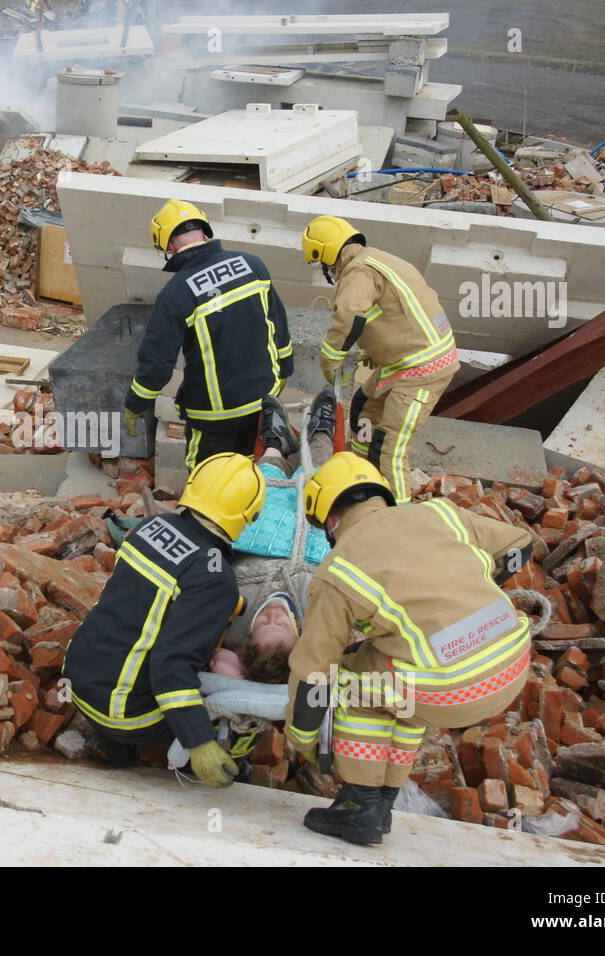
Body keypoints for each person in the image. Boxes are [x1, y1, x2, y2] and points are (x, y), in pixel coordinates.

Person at [284, 452, 535, 845]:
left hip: (455, 689)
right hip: (514, 663)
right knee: (403, 672)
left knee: (351, 681)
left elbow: (315, 668)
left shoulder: (340, 569)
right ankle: (385, 801)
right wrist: (474, 590)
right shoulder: (439, 514)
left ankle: (360, 805)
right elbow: (521, 544)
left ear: (331, 519)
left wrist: (300, 735)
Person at [62, 453, 266, 788]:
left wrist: (219, 601)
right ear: (248, 515)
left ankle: (114, 744)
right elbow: (172, 666)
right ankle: (216, 762)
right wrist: (199, 741)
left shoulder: (149, 527)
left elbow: (148, 593)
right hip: (124, 711)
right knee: (247, 709)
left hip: (79, 684)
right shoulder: (215, 581)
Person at [124, 199, 293, 470]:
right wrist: (284, 369)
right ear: (206, 232)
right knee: (252, 473)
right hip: (263, 400)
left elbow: (157, 361)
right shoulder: (253, 265)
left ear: (168, 246)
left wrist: (136, 403)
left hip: (215, 415)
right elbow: (278, 325)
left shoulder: (176, 292)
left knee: (208, 479)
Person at [302, 215, 458, 506]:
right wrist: (377, 348)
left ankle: (395, 513)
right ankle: (364, 474)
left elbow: (350, 315)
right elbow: (394, 310)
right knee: (364, 406)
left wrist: (330, 358)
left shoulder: (358, 272)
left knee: (390, 447)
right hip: (406, 359)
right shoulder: (376, 259)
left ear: (325, 254)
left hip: (421, 369)